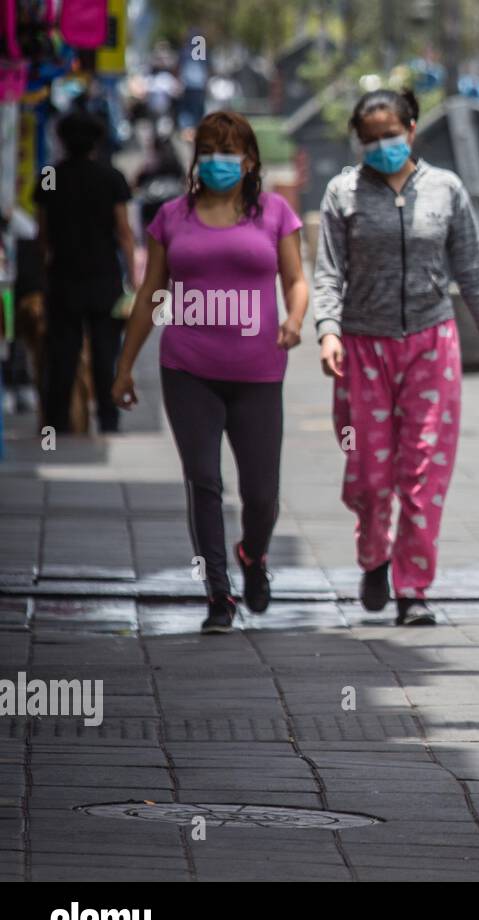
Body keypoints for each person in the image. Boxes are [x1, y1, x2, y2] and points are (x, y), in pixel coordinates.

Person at [313, 88, 479, 626]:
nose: (383, 145)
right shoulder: (343, 193)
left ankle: (413, 588)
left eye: (391, 134)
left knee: (424, 471)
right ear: (360, 142)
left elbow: (473, 269)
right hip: (361, 347)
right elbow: (329, 271)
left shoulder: (446, 190)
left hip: (432, 344)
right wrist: (328, 331)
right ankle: (374, 555)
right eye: (371, 138)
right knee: (370, 475)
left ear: (411, 129)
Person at [111, 110, 308, 634]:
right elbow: (151, 293)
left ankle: (254, 555)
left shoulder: (273, 214)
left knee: (262, 493)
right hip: (188, 370)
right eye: (211, 151)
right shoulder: (172, 217)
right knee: (203, 482)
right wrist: (125, 366)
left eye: (231, 151)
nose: (221, 161)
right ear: (198, 159)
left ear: (249, 161)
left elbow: (296, 280)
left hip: (259, 373)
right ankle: (218, 595)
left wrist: (293, 319)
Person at [36, 110, 137, 434]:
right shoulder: (110, 177)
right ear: (97, 142)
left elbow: (42, 234)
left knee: (61, 355)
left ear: (62, 141)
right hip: (103, 278)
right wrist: (134, 277)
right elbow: (124, 231)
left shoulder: (51, 176)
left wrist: (42, 271)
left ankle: (56, 423)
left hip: (63, 278)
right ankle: (108, 420)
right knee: (105, 354)